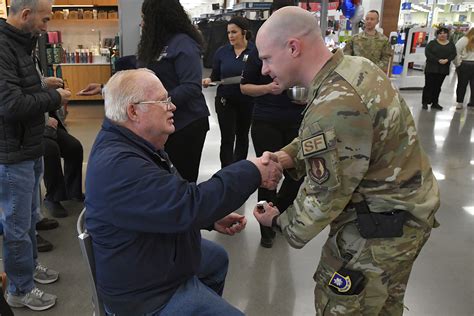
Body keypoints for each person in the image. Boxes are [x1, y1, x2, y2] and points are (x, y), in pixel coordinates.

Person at [253, 7, 440, 315]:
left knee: (340, 304)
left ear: (293, 47)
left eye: (266, 58)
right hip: (405, 215)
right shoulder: (355, 68)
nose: (264, 70)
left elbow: (323, 196)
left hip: (378, 227)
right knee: (382, 304)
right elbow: (337, 139)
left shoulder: (335, 103)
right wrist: (286, 157)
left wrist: (277, 220)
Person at [85, 68, 282, 315]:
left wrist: (210, 217)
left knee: (216, 258)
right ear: (133, 111)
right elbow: (189, 204)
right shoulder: (121, 164)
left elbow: (170, 200)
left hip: (146, 252)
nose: (172, 106)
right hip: (144, 293)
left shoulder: (136, 145)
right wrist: (253, 171)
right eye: (163, 100)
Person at [0, 0, 71, 311]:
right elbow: (10, 105)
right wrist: (53, 97)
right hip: (11, 153)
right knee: (16, 226)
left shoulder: (21, 44)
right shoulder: (3, 47)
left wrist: (42, 83)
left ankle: (28, 268)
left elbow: (18, 84)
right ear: (26, 15)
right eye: (45, 19)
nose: (47, 26)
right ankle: (19, 288)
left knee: (29, 219)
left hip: (28, 149)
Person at [240, 0, 303, 249]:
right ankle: (266, 227)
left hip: (297, 120)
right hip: (266, 120)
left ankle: (279, 214)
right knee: (268, 175)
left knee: (297, 175)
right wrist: (268, 88)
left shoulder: (299, 48)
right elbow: (245, 87)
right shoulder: (259, 49)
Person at [136, 0, 210, 183]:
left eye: (145, 17)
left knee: (182, 181)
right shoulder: (154, 44)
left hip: (187, 124)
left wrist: (156, 102)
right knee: (164, 180)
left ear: (158, 18)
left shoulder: (183, 44)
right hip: (164, 122)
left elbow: (191, 87)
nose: (142, 23)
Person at [202, 17, 254, 168]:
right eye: (228, 32)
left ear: (244, 32)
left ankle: (240, 168)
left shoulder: (254, 52)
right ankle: (226, 171)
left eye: (234, 32)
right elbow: (215, 75)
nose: (230, 36)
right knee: (227, 138)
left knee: (243, 136)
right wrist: (208, 80)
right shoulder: (222, 52)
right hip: (225, 100)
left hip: (247, 101)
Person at [422, 27, 456, 110]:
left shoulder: (451, 44)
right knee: (428, 85)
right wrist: (438, 60)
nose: (442, 35)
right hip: (431, 68)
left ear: (447, 34)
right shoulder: (432, 43)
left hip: (443, 69)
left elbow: (453, 54)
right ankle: (425, 102)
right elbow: (428, 53)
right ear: (437, 34)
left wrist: (447, 60)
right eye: (440, 33)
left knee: (438, 86)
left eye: (444, 33)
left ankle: (435, 102)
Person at [454, 28, 474, 110]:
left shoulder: (462, 40)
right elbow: (456, 52)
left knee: (462, 84)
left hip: (464, 65)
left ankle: (460, 102)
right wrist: (458, 63)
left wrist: (458, 63)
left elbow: (456, 52)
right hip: (465, 64)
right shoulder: (464, 40)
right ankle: (472, 103)